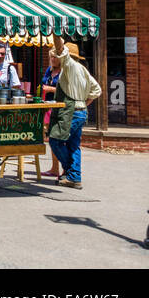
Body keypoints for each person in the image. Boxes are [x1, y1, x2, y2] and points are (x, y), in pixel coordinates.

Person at [48, 38, 102, 189]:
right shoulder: (83, 70)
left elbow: (61, 50)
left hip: (71, 112)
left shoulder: (69, 66)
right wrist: (83, 103)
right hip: (81, 111)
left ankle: (72, 172)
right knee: (74, 145)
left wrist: (56, 34)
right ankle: (74, 176)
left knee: (55, 140)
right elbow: (97, 90)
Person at [40, 49, 63, 178]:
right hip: (47, 106)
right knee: (50, 138)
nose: (53, 59)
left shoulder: (64, 72)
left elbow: (66, 90)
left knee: (57, 138)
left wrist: (51, 89)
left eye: (55, 57)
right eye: (51, 57)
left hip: (58, 107)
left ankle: (64, 168)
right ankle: (54, 168)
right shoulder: (49, 70)